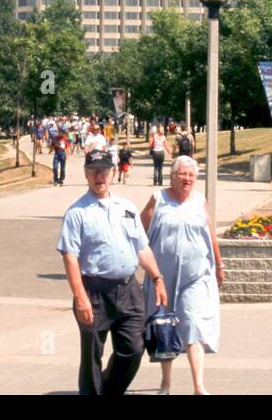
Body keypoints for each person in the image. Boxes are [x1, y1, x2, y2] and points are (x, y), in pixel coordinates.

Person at [57, 150, 168, 396]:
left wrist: (157, 279)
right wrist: (80, 297)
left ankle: (108, 389)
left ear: (113, 172)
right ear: (86, 174)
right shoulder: (77, 212)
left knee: (134, 349)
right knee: (92, 354)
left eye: (104, 170)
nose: (100, 176)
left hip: (129, 290)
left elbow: (141, 247)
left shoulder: (126, 207)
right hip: (93, 292)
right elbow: (70, 257)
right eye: (94, 171)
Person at [140, 156, 223, 395]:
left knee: (194, 324)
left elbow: (211, 234)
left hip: (195, 277)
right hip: (162, 279)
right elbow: (138, 234)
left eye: (191, 175)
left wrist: (219, 264)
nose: (187, 179)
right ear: (172, 176)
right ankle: (166, 384)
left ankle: (199, 386)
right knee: (165, 328)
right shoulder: (158, 199)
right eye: (182, 174)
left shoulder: (199, 201)